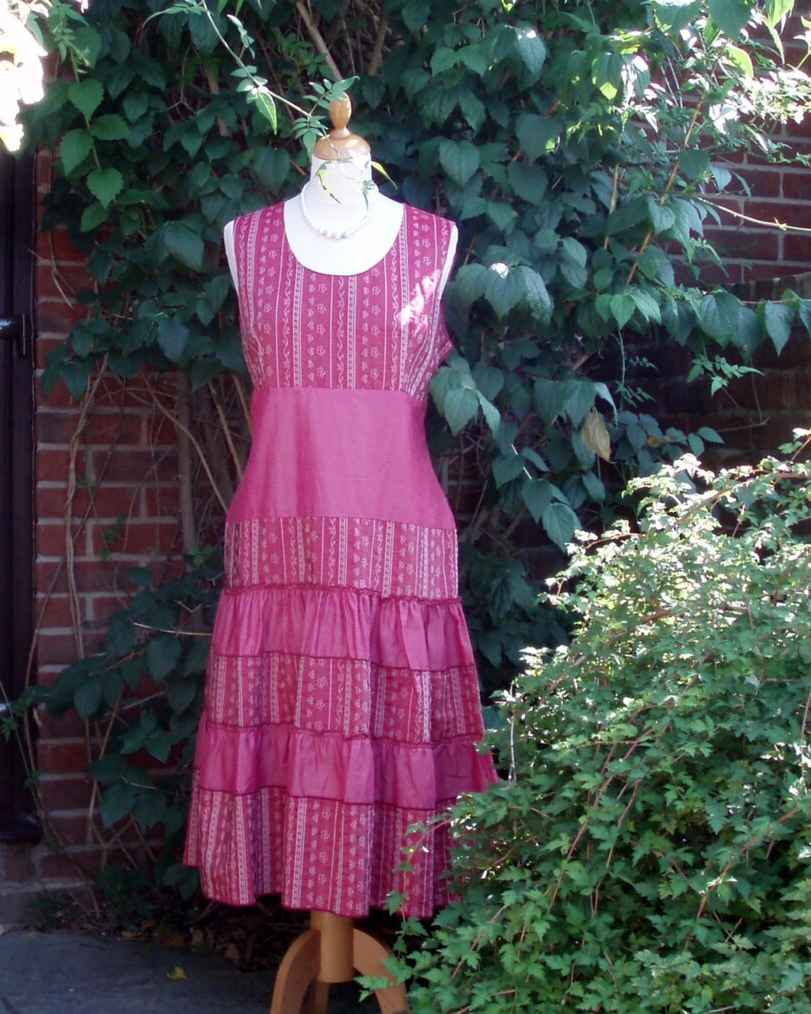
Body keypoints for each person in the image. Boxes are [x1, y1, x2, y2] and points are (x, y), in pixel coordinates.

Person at [184, 95, 494, 1010]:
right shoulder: (249, 240)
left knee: (379, 746)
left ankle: (357, 941)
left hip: (397, 551)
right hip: (284, 544)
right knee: (301, 743)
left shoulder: (433, 241)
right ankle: (319, 946)